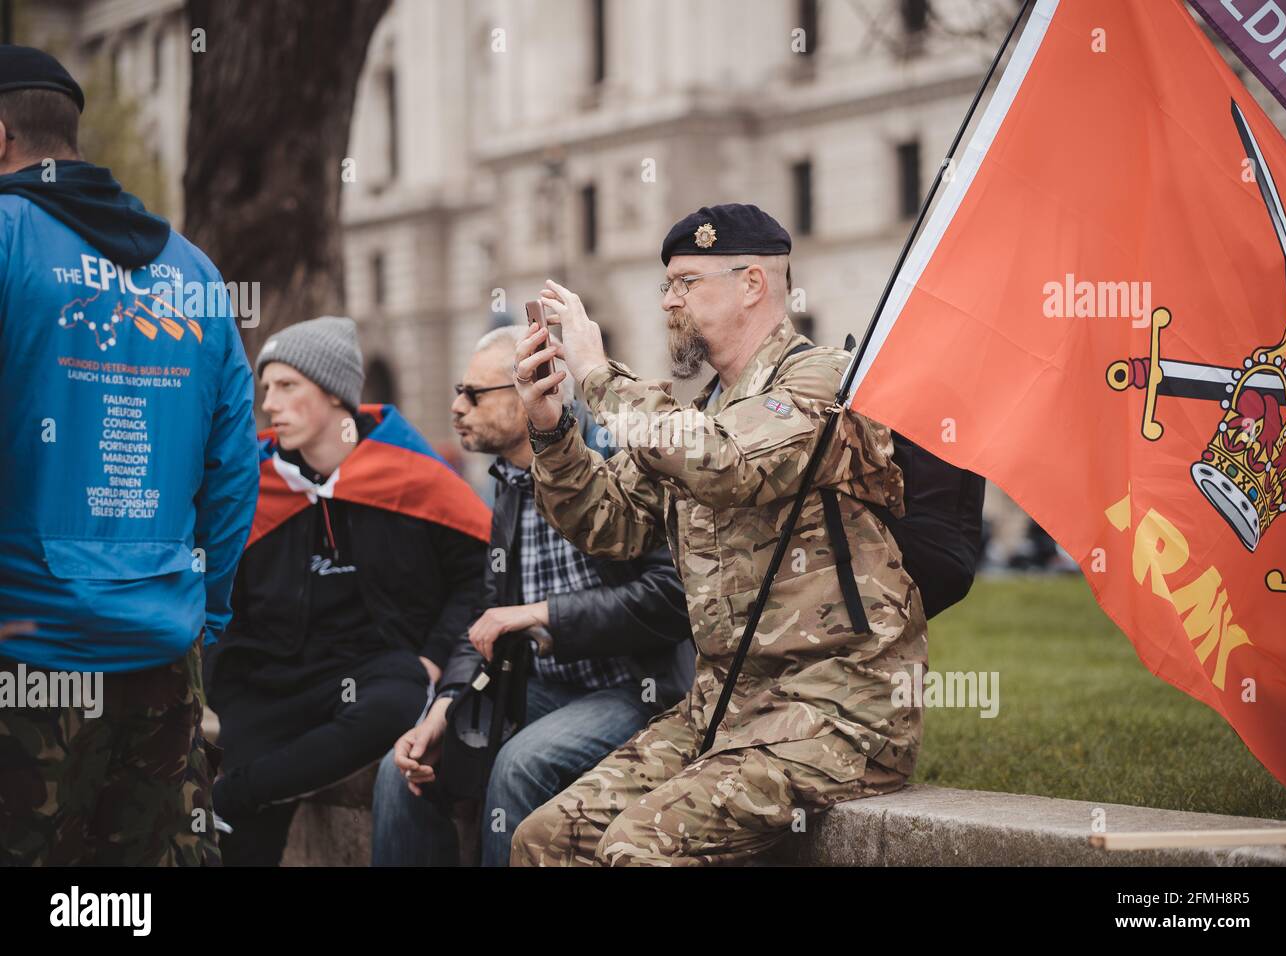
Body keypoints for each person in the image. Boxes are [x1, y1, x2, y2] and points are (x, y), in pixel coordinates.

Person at [509, 203, 927, 866]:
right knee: (545, 838)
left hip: (838, 710)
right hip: (725, 707)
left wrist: (597, 376)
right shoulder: (700, 414)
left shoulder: (824, 381)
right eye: (666, 286)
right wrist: (553, 430)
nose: (669, 302)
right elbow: (608, 523)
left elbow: (729, 464)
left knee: (634, 849)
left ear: (753, 285)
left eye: (687, 283)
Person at [0, 45, 257, 865]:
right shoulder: (195, 272)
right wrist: (202, 617)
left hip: (27, 649)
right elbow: (233, 471)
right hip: (160, 650)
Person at [372, 326, 693, 866]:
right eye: (459, 390)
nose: (456, 407)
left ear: (534, 392)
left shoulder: (618, 460)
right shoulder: (507, 483)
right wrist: (446, 704)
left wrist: (544, 615)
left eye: (475, 394)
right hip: (539, 685)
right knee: (402, 769)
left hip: (634, 689)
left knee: (520, 764)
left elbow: (668, 600)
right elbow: (487, 617)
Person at [204, 315, 490, 866]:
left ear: (335, 394)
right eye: (267, 389)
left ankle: (239, 793)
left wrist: (432, 659)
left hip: (371, 671)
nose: (270, 405)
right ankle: (246, 793)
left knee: (397, 702)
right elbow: (222, 592)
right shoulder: (252, 483)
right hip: (272, 678)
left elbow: (475, 578)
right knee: (239, 825)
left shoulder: (411, 475)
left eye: (288, 386)